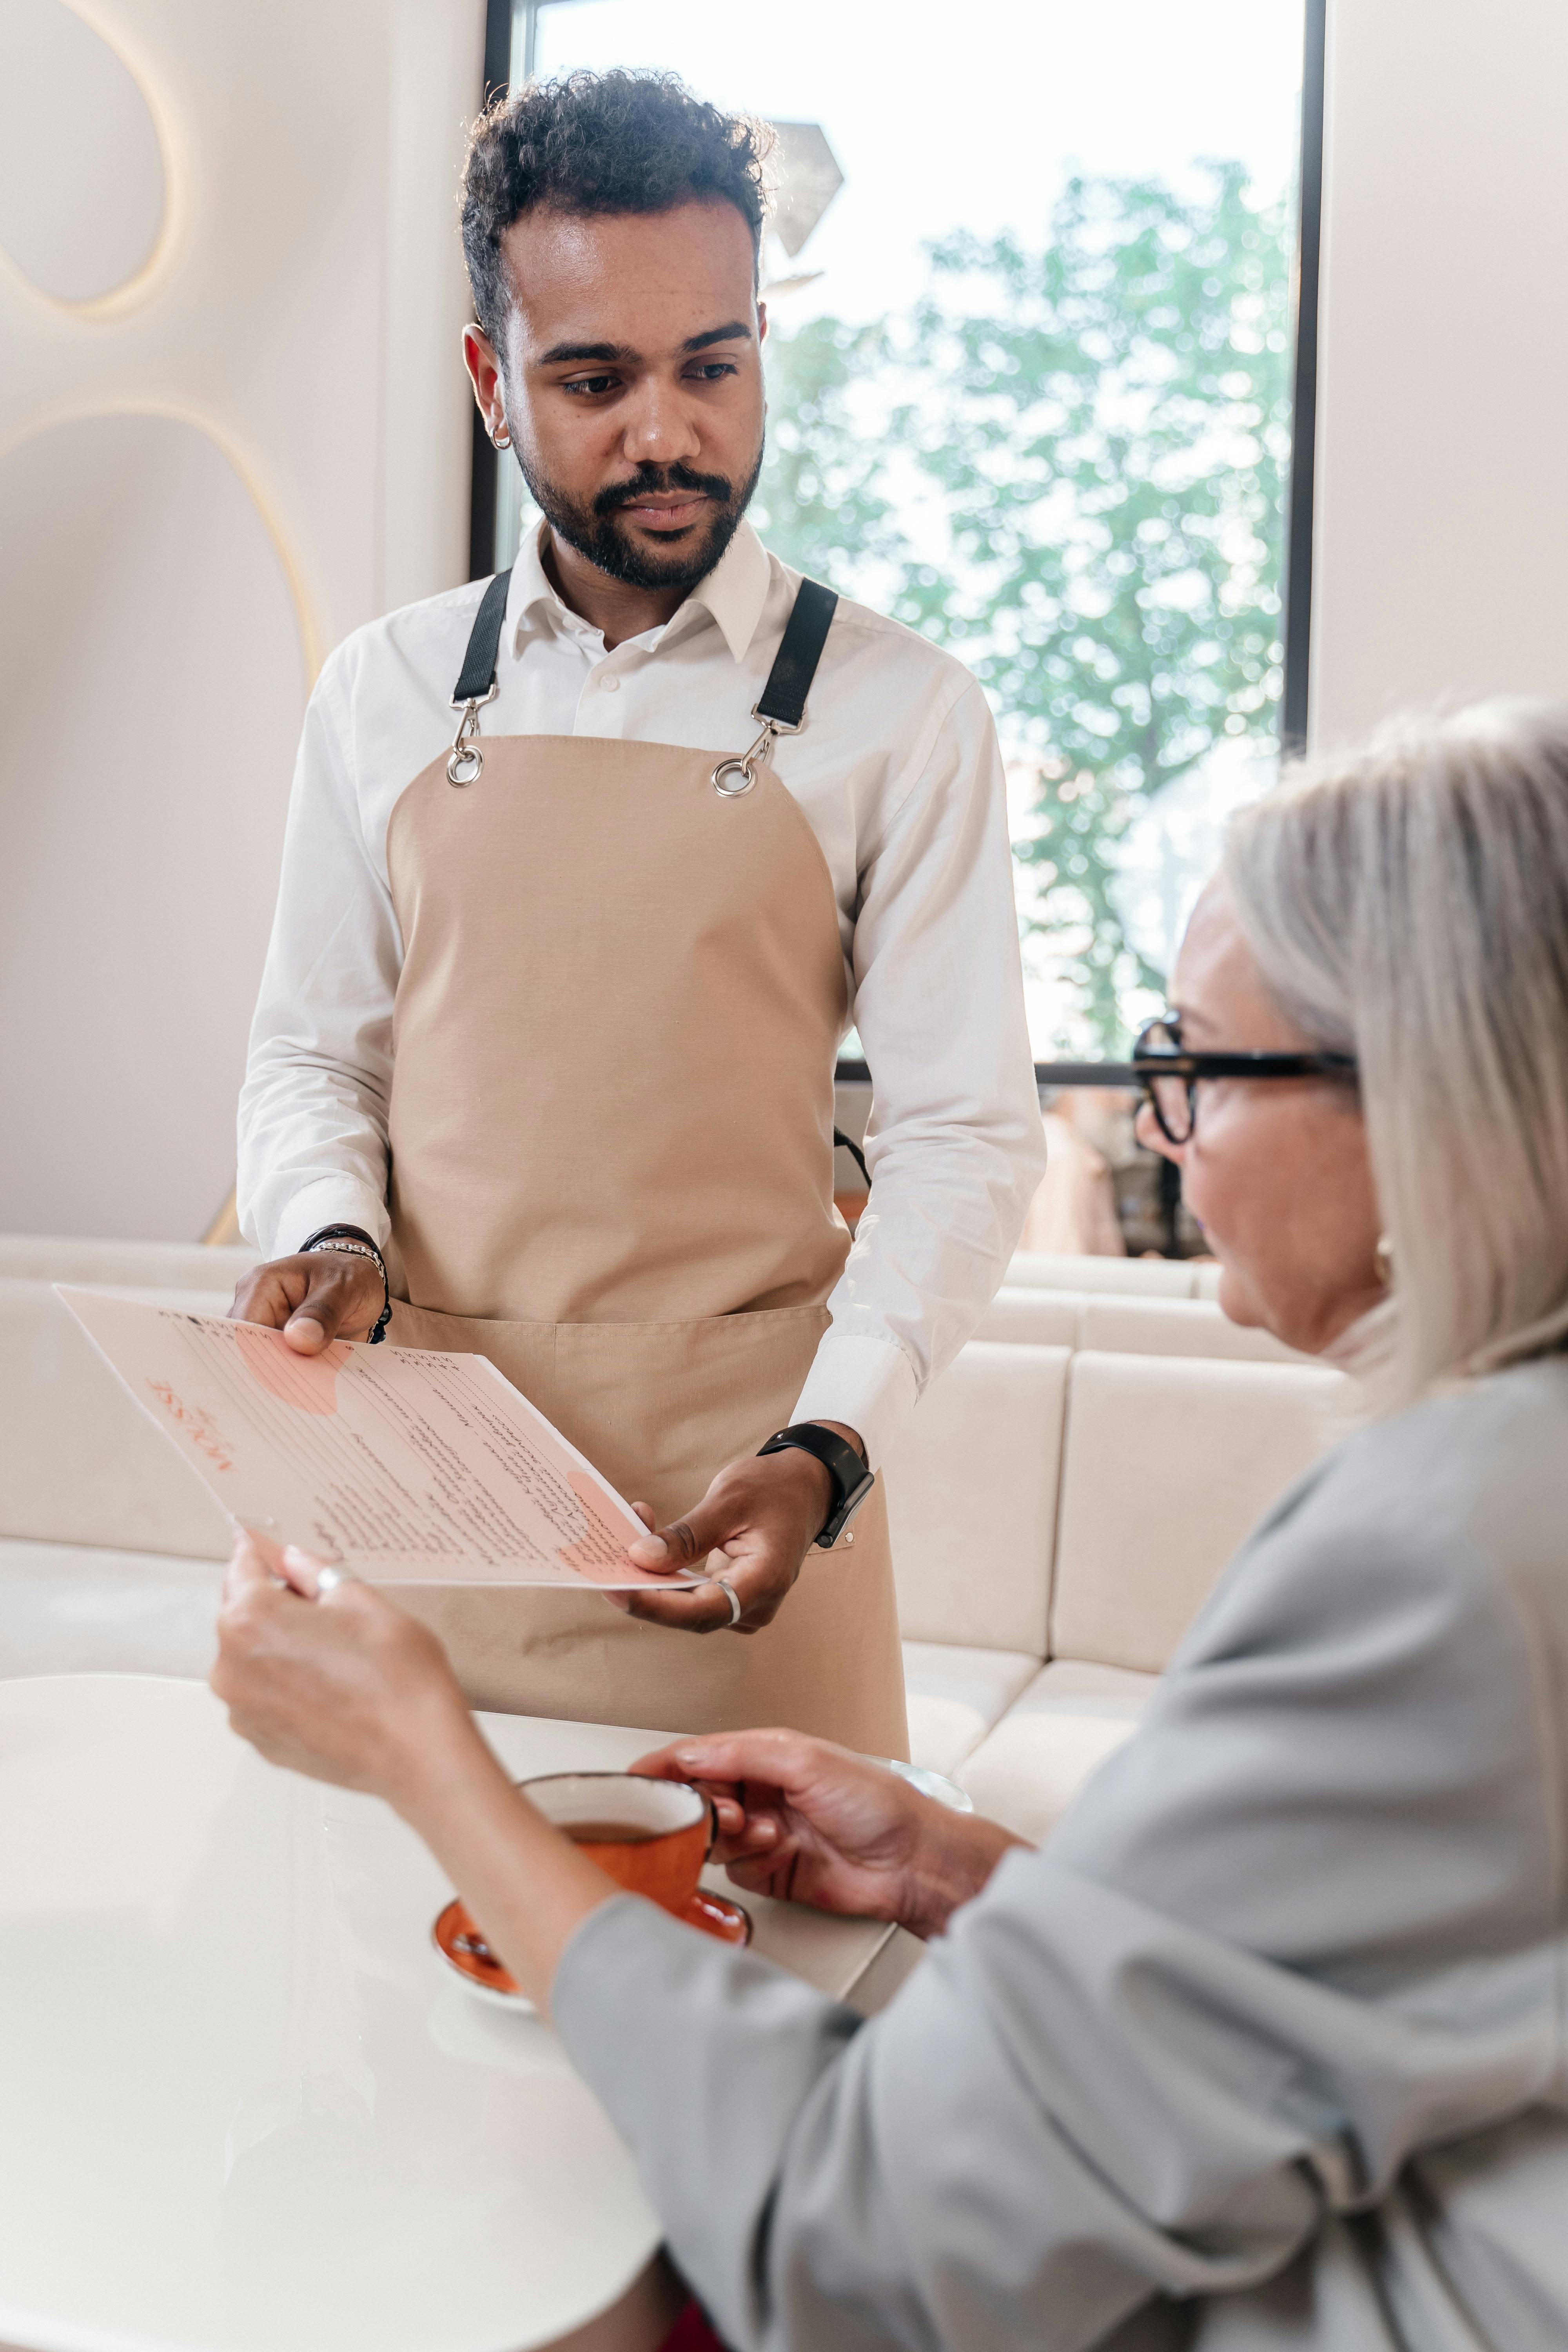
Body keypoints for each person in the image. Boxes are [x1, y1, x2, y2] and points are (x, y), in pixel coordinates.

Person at [215, 697, 1568, 2352]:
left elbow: (858, 2239)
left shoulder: (1436, 1553)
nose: (1164, 1130)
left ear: (1430, 1098)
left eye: (1189, 1070)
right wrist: (961, 1871)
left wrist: (432, 1763)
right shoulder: (1507, 1486)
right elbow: (1338, 2006)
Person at [230, 73, 1043, 1742]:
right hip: (414, 1499)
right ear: (491, 382)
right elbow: (314, 1059)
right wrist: (328, 1235)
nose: (665, 433)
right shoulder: (378, 695)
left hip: (743, 1517)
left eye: (713, 367)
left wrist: (830, 1446)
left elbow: (966, 1136)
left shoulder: (903, 714)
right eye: (594, 379)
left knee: (763, 1976)